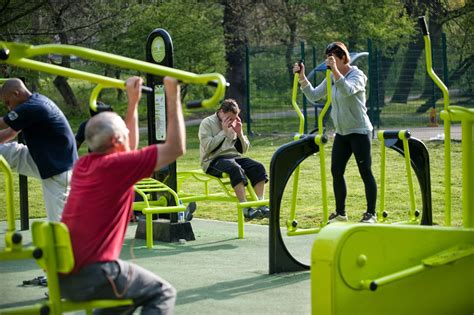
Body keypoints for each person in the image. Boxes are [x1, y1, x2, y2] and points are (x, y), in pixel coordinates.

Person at [59, 76, 180, 314]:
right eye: (125, 132)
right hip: (96, 274)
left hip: (67, 278)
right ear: (116, 141)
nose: (128, 133)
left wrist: (132, 103)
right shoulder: (114, 167)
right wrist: (173, 97)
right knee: (162, 292)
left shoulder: (84, 165)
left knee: (121, 303)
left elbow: (128, 148)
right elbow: (176, 148)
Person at [293, 41, 377, 224]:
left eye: (332, 59)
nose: (329, 63)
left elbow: (347, 90)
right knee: (336, 171)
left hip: (359, 131)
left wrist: (335, 71)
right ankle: (341, 213)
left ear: (343, 58)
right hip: (342, 132)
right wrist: (302, 76)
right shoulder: (332, 76)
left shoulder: (358, 75)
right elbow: (314, 95)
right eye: (327, 59)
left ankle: (371, 213)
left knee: (365, 171)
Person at [0, 78, 78, 222]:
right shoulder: (34, 103)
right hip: (43, 159)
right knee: (12, 153)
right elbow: (10, 132)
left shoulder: (33, 107)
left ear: (16, 93)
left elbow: (3, 124)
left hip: (58, 171)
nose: (8, 107)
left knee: (59, 225)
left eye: (7, 102)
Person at [199, 99, 270, 220]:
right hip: (212, 160)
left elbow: (243, 150)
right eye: (229, 118)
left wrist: (240, 133)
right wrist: (224, 132)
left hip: (233, 157)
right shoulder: (207, 123)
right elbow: (208, 148)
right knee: (234, 168)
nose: (232, 121)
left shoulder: (234, 122)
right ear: (221, 112)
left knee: (258, 167)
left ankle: (260, 204)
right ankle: (245, 209)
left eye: (234, 118)